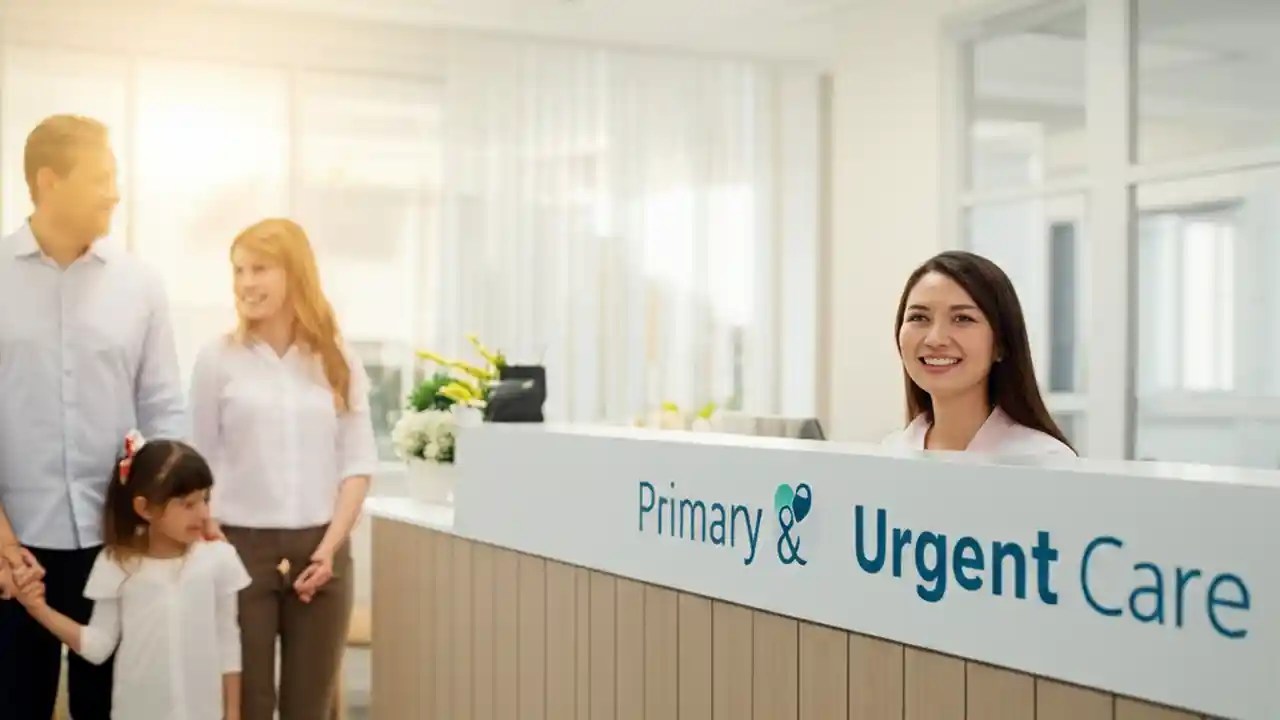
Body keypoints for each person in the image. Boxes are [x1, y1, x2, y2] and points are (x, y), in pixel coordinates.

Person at [0, 114, 187, 719]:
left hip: (116, 541)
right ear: (49, 182)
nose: (115, 192)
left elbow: (163, 409)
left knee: (111, 708)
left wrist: (164, 519)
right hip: (10, 543)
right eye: (101, 177)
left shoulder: (141, 285)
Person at [189, 218, 377, 719]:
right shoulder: (216, 359)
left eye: (260, 268)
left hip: (323, 549)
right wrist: (212, 536)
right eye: (239, 270)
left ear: (295, 274)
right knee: (249, 704)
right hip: (240, 549)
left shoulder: (337, 358)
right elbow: (198, 466)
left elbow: (357, 465)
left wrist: (329, 549)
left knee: (308, 707)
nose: (247, 282)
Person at [13, 435, 250, 720]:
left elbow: (228, 642)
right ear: (144, 508)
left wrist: (233, 713)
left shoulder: (218, 560)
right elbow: (98, 646)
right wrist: (38, 609)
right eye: (187, 504)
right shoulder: (116, 565)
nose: (202, 513)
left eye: (205, 499)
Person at [883, 250, 1076, 457]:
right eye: (919, 317)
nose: (935, 339)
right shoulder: (891, 453)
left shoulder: (1045, 459)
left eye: (962, 318)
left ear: (1001, 344)